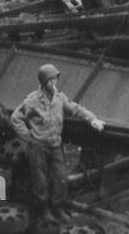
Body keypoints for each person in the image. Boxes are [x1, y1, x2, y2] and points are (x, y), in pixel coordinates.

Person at [10, 63, 105, 224]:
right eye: (50, 80)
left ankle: (58, 207)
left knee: (61, 177)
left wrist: (92, 119)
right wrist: (28, 137)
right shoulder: (32, 100)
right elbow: (15, 118)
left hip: (55, 145)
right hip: (38, 146)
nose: (54, 83)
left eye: (55, 79)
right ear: (43, 81)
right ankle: (44, 209)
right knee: (40, 180)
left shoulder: (59, 97)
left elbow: (75, 108)